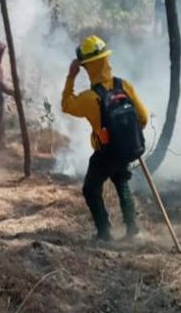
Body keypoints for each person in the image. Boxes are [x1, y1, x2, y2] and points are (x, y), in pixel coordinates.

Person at [61, 35, 148, 241]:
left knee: (90, 189)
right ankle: (132, 230)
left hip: (107, 152)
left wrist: (71, 76)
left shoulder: (90, 98)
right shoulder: (124, 85)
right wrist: (127, 135)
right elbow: (143, 118)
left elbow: (66, 104)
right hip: (128, 147)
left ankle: (104, 233)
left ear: (87, 66)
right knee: (121, 181)